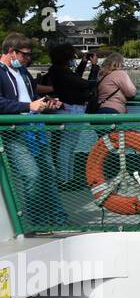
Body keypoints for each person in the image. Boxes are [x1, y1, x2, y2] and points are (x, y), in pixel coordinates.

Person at [0, 33, 68, 226]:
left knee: (48, 173)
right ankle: (36, 223)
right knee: (32, 175)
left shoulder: (23, 72)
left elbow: (30, 97)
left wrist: (48, 103)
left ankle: (58, 219)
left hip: (35, 129)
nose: (28, 59)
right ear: (12, 52)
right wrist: (28, 107)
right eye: (25, 55)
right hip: (14, 132)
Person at [42, 44, 99, 186]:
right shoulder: (61, 72)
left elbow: (76, 78)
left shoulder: (57, 71)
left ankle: (67, 177)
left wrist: (85, 63)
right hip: (72, 109)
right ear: (66, 57)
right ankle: (64, 179)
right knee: (67, 146)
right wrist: (95, 67)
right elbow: (84, 84)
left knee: (68, 145)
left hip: (69, 108)